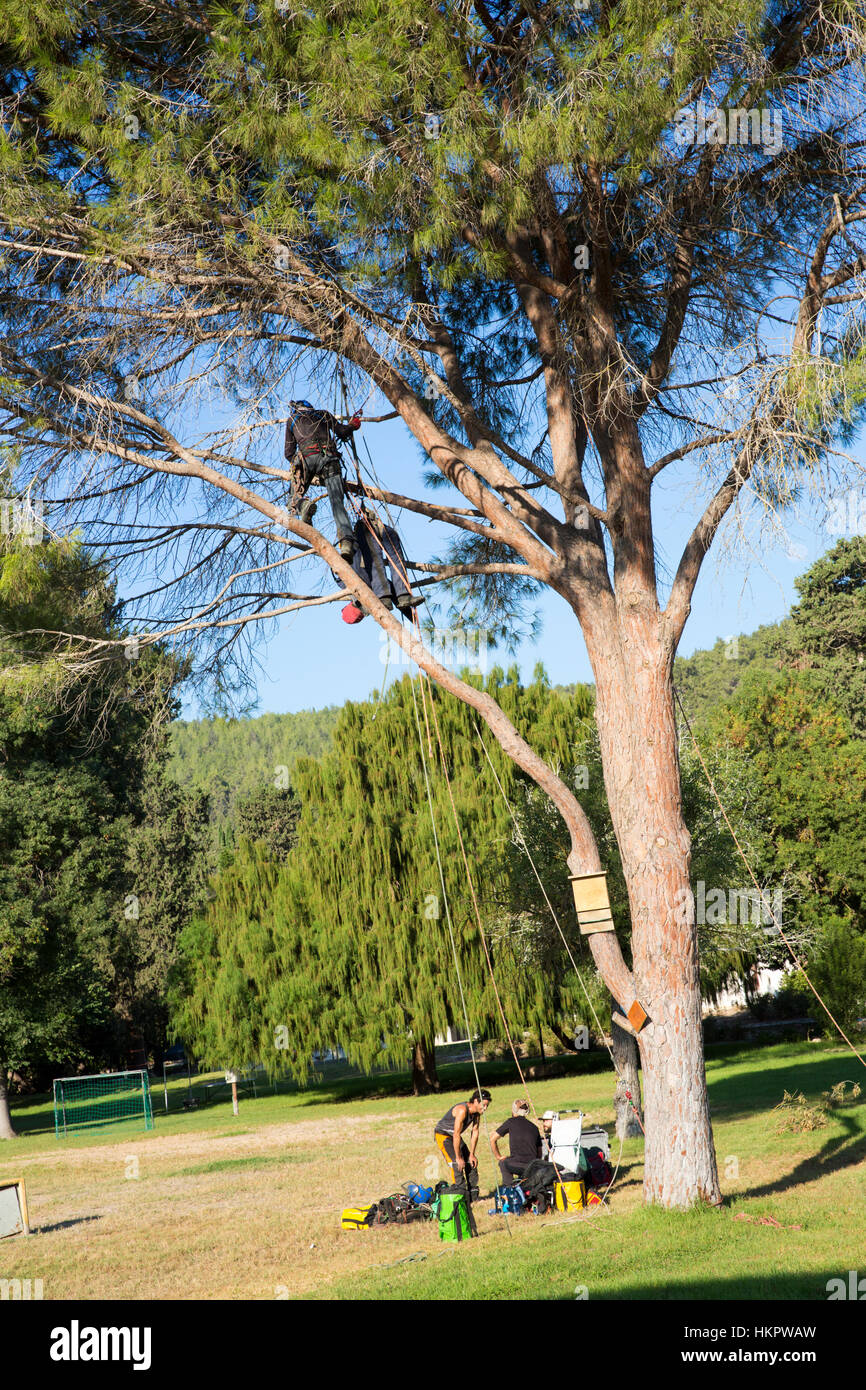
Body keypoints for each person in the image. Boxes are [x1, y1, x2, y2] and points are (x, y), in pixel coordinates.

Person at [284, 400, 360, 560]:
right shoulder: (323, 414)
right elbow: (342, 431)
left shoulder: (293, 420)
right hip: (329, 458)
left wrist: (301, 469)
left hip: (306, 458)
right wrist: (353, 425)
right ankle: (346, 542)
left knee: (293, 497)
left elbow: (289, 453)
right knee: (337, 502)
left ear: (296, 409)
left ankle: (303, 505)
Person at [340, 511, 424, 623]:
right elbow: (390, 587)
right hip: (366, 550)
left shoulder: (347, 585)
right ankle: (402, 595)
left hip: (361, 544)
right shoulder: (364, 591)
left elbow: (338, 570)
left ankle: (398, 596)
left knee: (381, 552)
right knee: (391, 542)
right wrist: (412, 617)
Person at [433, 1089, 491, 1200]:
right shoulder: (462, 1110)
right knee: (457, 1164)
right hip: (444, 1135)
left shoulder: (476, 1114)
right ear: (475, 1101)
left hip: (455, 1136)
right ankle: (460, 1195)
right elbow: (456, 1134)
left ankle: (472, 1195)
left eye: (487, 1106)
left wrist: (472, 1154)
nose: (485, 1108)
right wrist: (458, 1157)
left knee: (471, 1162)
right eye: (483, 1105)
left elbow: (475, 1132)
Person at [490, 1098, 543, 1187]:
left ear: (514, 1110)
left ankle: (511, 1189)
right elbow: (539, 1153)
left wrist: (498, 1157)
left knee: (503, 1163)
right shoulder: (534, 1127)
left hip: (518, 1164)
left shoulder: (510, 1122)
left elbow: (492, 1139)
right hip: (533, 1166)